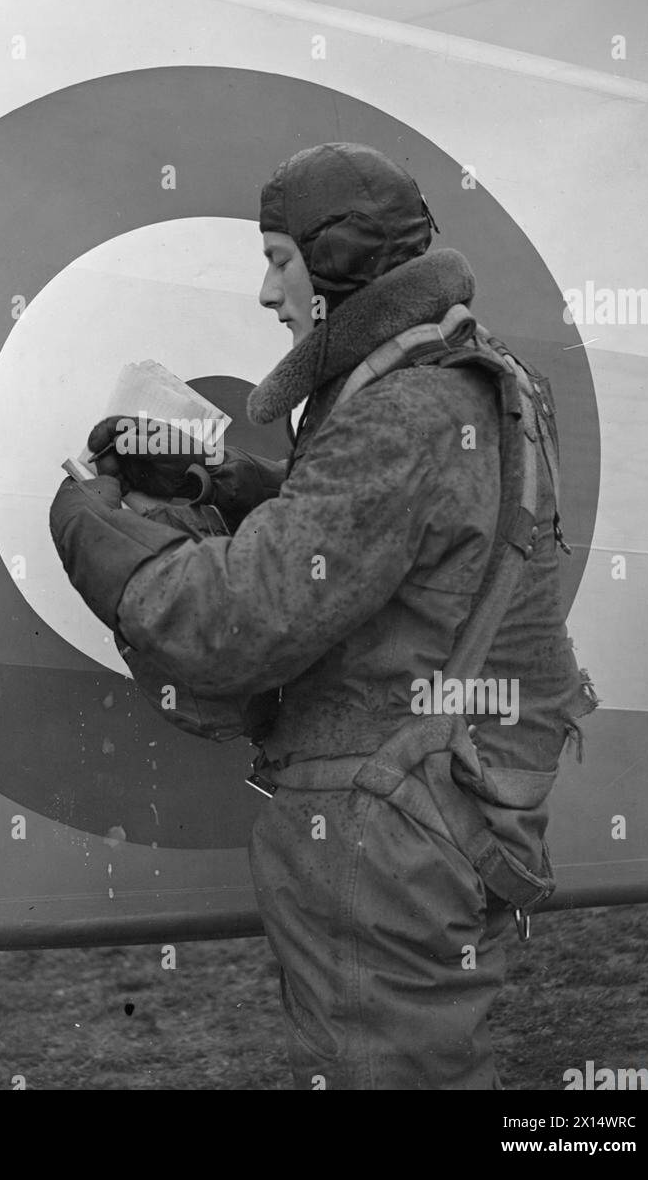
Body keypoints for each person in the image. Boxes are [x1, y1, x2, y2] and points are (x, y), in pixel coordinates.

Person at [50, 142, 597, 1090]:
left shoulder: (401, 410)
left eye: (278, 258)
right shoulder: (468, 375)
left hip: (387, 831)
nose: (267, 293)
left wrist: (93, 528)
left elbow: (238, 621)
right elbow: (397, 541)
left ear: (337, 262)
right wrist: (232, 482)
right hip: (442, 806)